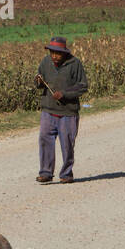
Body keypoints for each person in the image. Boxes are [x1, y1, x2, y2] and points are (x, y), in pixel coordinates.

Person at [34, 36, 88, 184]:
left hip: (68, 113)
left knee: (67, 144)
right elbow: (39, 80)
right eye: (52, 52)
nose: (54, 56)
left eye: (58, 53)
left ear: (64, 52)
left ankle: (66, 173)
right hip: (48, 110)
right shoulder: (45, 62)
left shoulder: (75, 64)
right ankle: (45, 173)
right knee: (45, 140)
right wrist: (38, 81)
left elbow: (82, 86)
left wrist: (64, 94)